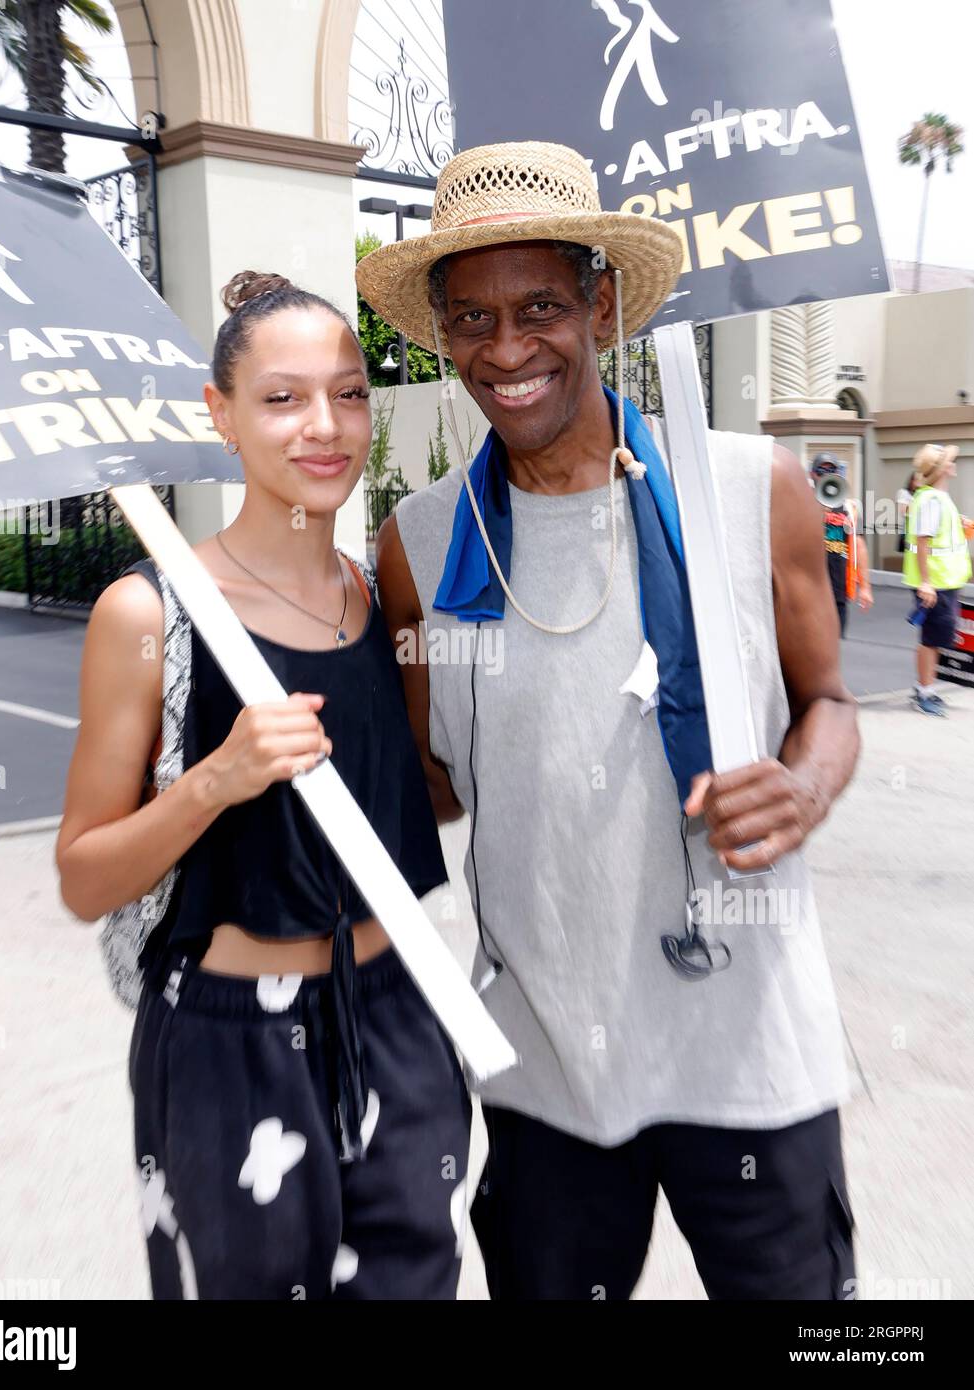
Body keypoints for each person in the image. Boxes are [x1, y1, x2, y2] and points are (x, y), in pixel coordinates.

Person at [359, 141, 860, 1300]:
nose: (506, 348)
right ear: (441, 334)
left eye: (539, 305)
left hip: (748, 1051)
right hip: (544, 1067)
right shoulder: (424, 543)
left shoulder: (751, 490)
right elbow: (434, 788)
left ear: (599, 302)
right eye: (472, 318)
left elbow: (827, 702)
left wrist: (802, 785)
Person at [56, 272, 471, 1300]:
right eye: (282, 398)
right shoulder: (150, 614)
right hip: (232, 1037)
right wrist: (216, 780)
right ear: (221, 417)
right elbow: (82, 877)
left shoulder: (380, 593)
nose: (324, 426)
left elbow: (425, 795)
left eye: (349, 392)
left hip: (398, 1014)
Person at [903, 442, 974, 716]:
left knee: (935, 636)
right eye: (948, 460)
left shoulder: (936, 497)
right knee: (931, 639)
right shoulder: (932, 499)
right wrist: (926, 582)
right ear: (940, 469)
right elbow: (923, 541)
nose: (953, 463)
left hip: (944, 580)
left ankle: (925, 688)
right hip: (936, 582)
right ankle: (924, 692)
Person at [809, 451, 872, 637]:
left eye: (832, 470)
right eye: (822, 470)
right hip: (811, 587)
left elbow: (859, 545)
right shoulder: (804, 501)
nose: (826, 474)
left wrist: (866, 587)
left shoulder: (849, 508)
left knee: (833, 642)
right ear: (813, 474)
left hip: (839, 587)